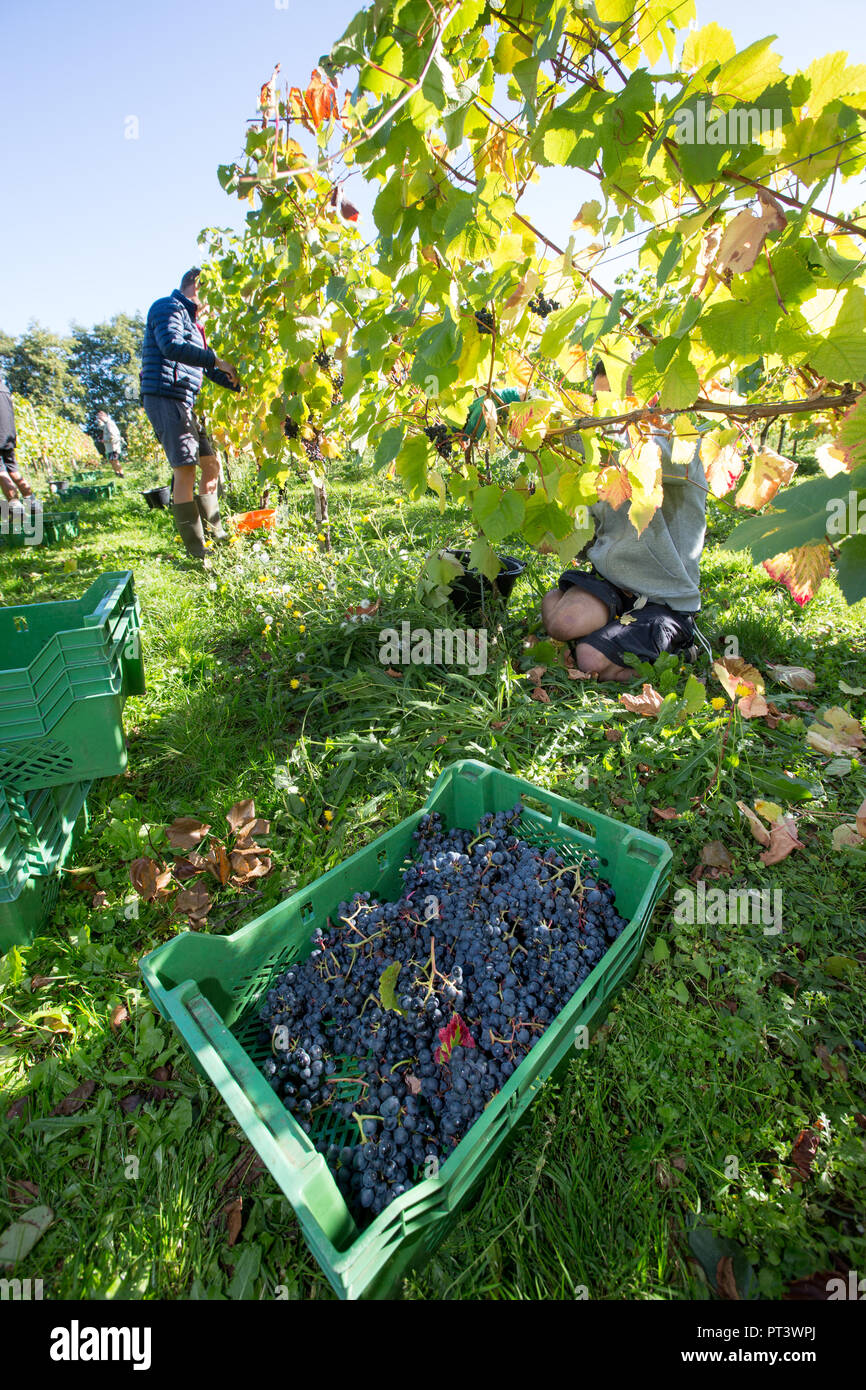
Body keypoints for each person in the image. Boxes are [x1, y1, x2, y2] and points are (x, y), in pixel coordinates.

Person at [541, 362, 707, 681]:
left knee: (589, 658)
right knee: (561, 623)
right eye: (601, 401)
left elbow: (644, 457)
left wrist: (575, 436)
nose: (610, 412)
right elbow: (587, 534)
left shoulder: (680, 439)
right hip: (612, 583)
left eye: (620, 400)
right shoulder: (596, 463)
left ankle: (680, 647)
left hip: (665, 599)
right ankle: (602, 628)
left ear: (650, 395)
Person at [140, 267, 238, 560]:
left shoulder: (196, 326)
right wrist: (216, 360)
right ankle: (198, 554)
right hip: (164, 396)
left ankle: (215, 533)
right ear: (198, 288)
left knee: (211, 465)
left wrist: (242, 384)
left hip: (186, 401)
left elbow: (209, 367)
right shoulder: (166, 307)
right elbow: (171, 346)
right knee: (185, 470)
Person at [0, 371, 34, 503]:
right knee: (13, 468)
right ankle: (33, 506)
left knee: (1, 472)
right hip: (9, 434)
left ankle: (15, 509)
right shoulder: (5, 390)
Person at [96, 409, 124, 477]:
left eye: (100, 417)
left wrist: (105, 440)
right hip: (110, 447)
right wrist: (99, 421)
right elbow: (102, 427)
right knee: (112, 461)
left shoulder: (109, 423)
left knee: (115, 461)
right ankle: (117, 473)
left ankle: (121, 474)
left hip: (113, 446)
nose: (100, 419)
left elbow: (112, 435)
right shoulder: (106, 424)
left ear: (104, 416)